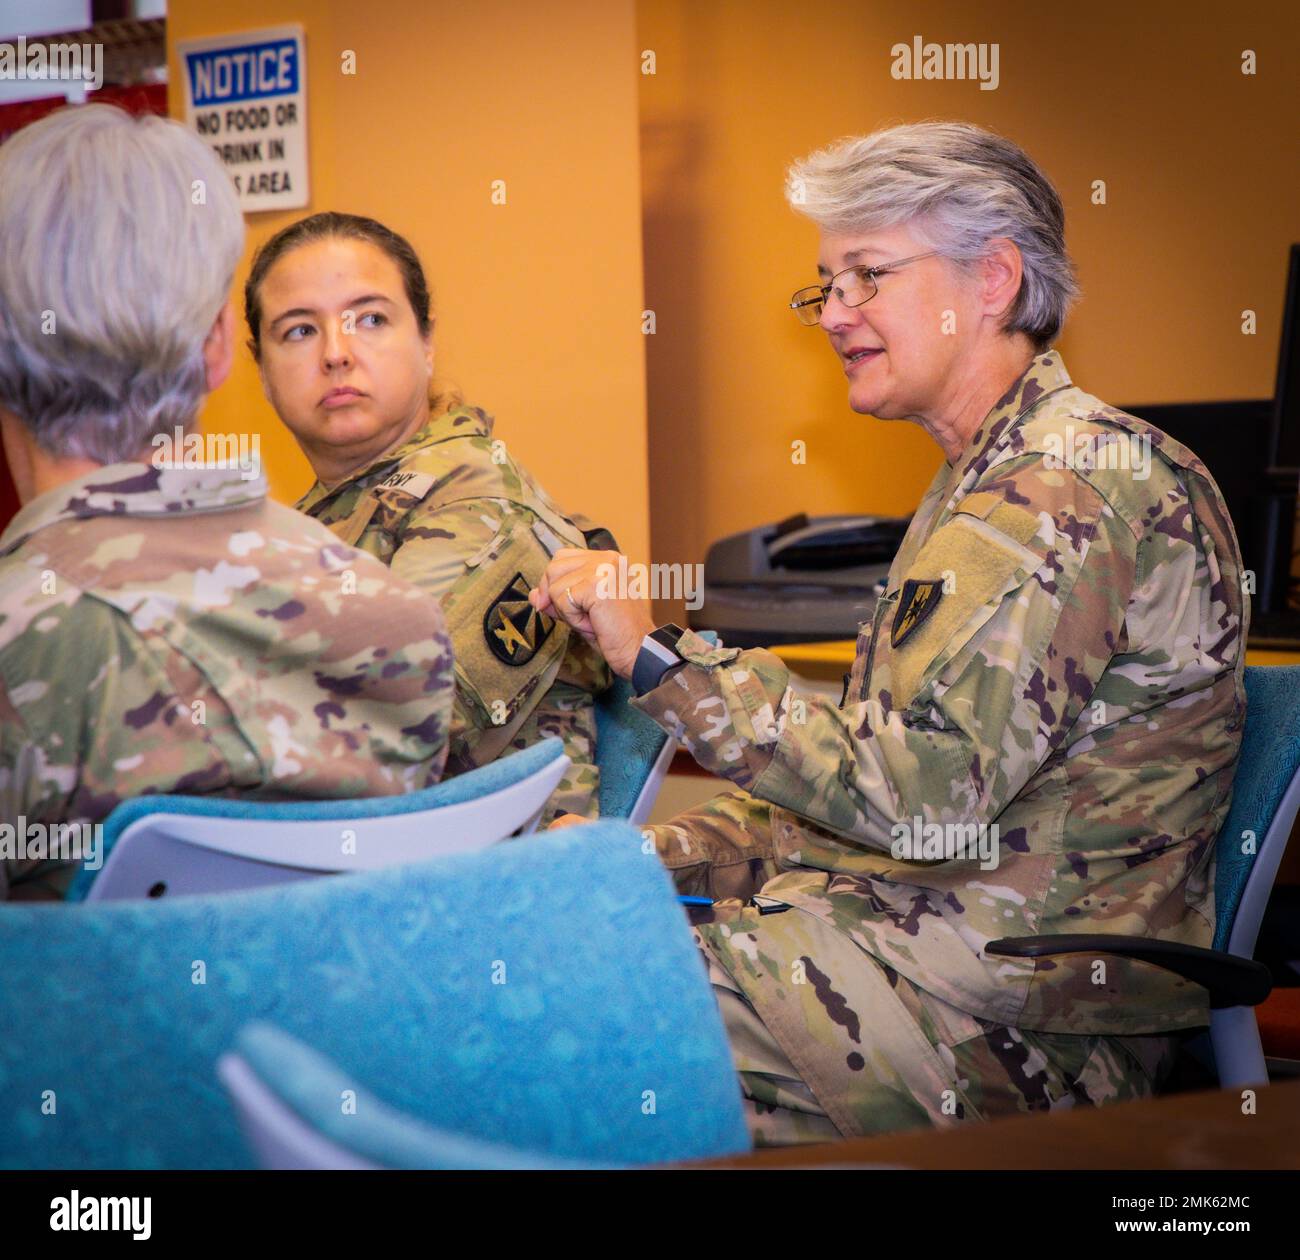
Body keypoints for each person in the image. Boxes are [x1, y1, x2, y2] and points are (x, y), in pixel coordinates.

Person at [534, 121, 1247, 1145]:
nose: (832, 315)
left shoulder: (1068, 488)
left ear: (992, 279)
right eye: (825, 285)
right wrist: (635, 860)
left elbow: (922, 797)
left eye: (865, 276)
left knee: (532, 1038)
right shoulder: (982, 490)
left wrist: (654, 658)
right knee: (535, 972)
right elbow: (856, 810)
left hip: (1006, 1028)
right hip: (898, 961)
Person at [0, 106, 456, 899]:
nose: (338, 353)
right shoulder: (399, 620)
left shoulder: (22, 642)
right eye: (302, 330)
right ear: (220, 349)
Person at [244, 213, 612, 825]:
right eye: (300, 330)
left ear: (427, 340)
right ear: (260, 366)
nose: (337, 354)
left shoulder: (475, 497)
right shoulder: (315, 516)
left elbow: (397, 741)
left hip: (476, 888)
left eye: (370, 319)